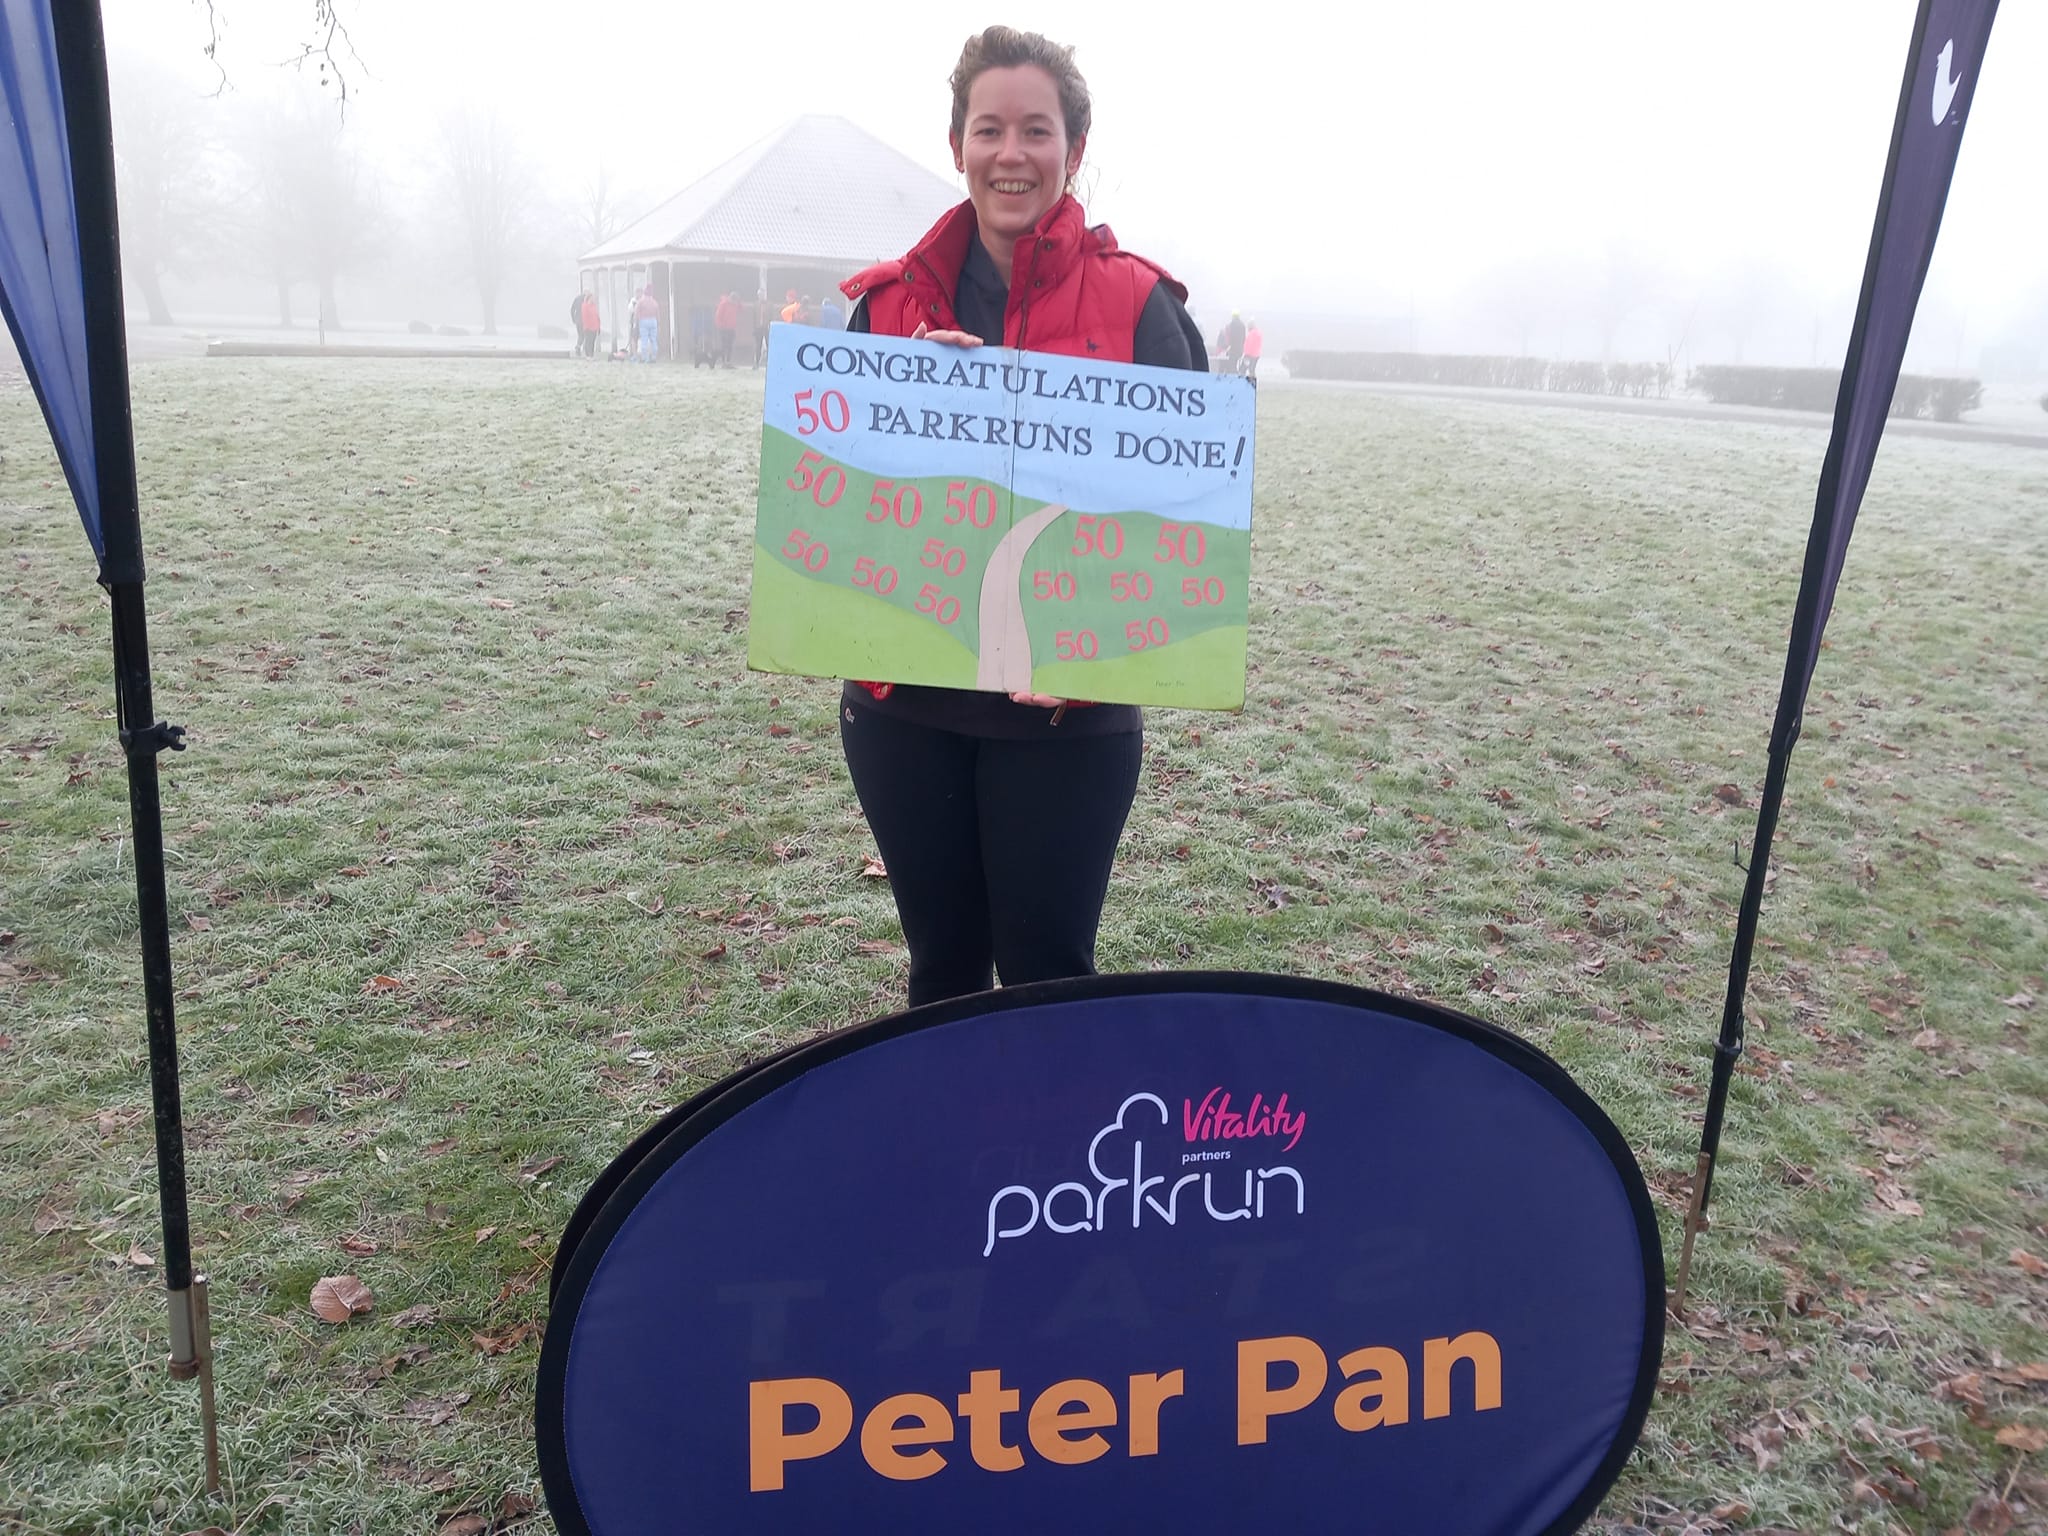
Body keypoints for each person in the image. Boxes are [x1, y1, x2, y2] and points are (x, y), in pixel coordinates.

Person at [833, 25, 1206, 1008]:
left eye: (1034, 130)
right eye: (987, 128)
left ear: (1072, 152)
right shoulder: (885, 308)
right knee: (942, 979)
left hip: (1065, 723)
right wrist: (927, 415)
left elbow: (1187, 513)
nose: (1010, 153)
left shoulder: (1142, 305)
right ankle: (952, 1163)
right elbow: (845, 508)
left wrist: (1093, 646)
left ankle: (1043, 1165)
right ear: (956, 145)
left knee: (1047, 982)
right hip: (902, 710)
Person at [634, 283, 660, 362]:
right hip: (653, 321)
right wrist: (658, 323)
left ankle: (644, 357)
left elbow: (636, 312)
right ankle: (654, 357)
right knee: (653, 340)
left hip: (644, 321)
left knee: (644, 340)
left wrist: (636, 322)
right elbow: (658, 314)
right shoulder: (654, 302)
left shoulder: (641, 301)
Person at [714, 290, 741, 365]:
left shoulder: (735, 304)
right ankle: (724, 361)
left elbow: (741, 308)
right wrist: (721, 326)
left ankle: (728, 361)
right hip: (724, 329)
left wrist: (739, 302)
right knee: (724, 345)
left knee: (730, 345)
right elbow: (718, 315)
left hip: (731, 328)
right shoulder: (723, 304)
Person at [579, 291, 601, 358]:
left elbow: (596, 316)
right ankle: (588, 355)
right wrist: (587, 326)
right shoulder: (585, 306)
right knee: (588, 341)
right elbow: (585, 317)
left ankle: (591, 354)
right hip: (588, 327)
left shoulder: (593, 306)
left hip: (594, 327)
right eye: (591, 298)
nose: (593, 299)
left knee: (592, 342)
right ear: (588, 298)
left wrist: (598, 326)